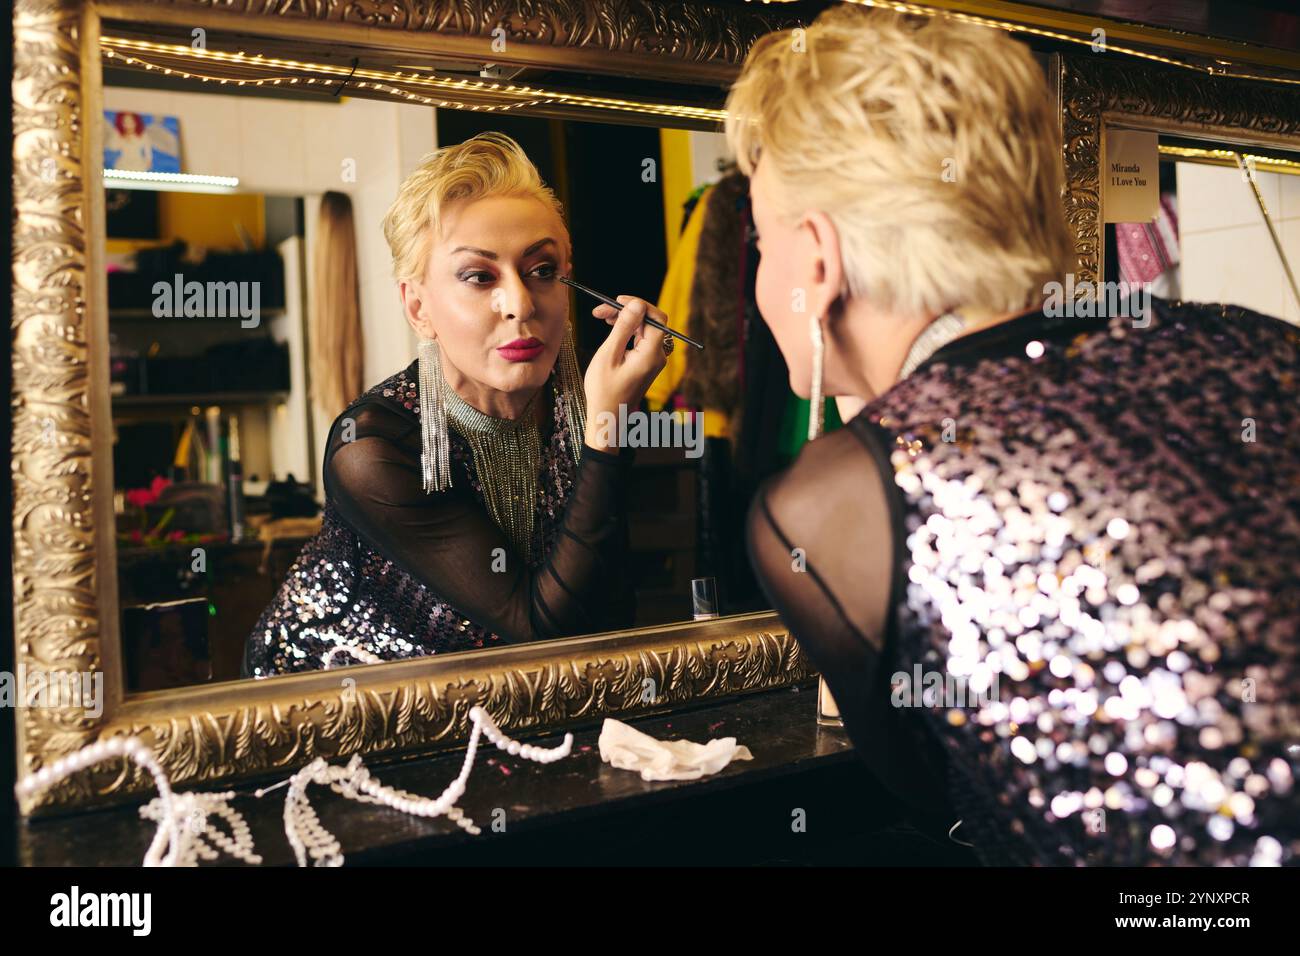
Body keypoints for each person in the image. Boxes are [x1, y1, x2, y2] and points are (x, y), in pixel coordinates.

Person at [732, 6, 1300, 865]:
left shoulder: (830, 504)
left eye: (760, 238)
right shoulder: (1259, 340)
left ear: (817, 259)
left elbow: (947, 799)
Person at [244, 132, 668, 676]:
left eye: (542, 271)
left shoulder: (581, 408)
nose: (519, 303)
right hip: (334, 715)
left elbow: (606, 611)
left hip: (492, 711)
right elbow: (543, 637)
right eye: (479, 276)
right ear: (418, 307)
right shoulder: (373, 449)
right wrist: (610, 428)